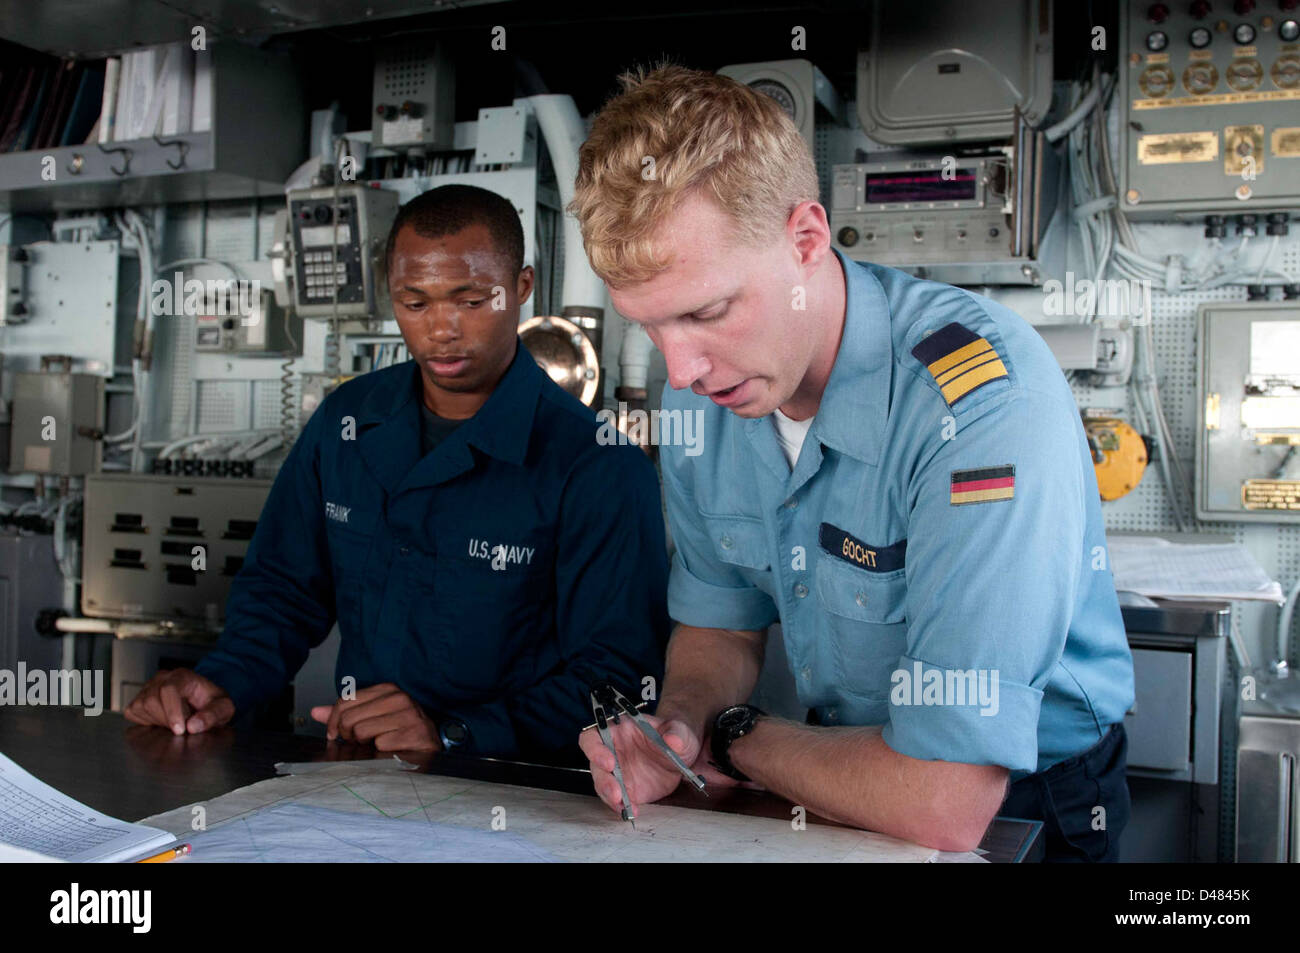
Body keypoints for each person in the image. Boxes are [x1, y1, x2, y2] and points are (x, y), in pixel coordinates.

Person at [570, 65, 1135, 859]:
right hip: (825, 776)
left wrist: (734, 738)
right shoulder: (705, 392)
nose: (683, 367)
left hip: (1024, 799)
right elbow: (718, 626)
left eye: (705, 311)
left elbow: (944, 799)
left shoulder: (977, 409)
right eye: (651, 326)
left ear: (805, 238)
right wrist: (680, 727)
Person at [125, 184, 670, 766]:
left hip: (527, 794)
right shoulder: (348, 422)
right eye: (416, 303)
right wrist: (223, 683)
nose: (442, 328)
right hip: (364, 778)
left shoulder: (597, 464)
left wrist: (455, 732)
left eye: (469, 301)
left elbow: (619, 680)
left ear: (521, 288)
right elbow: (283, 591)